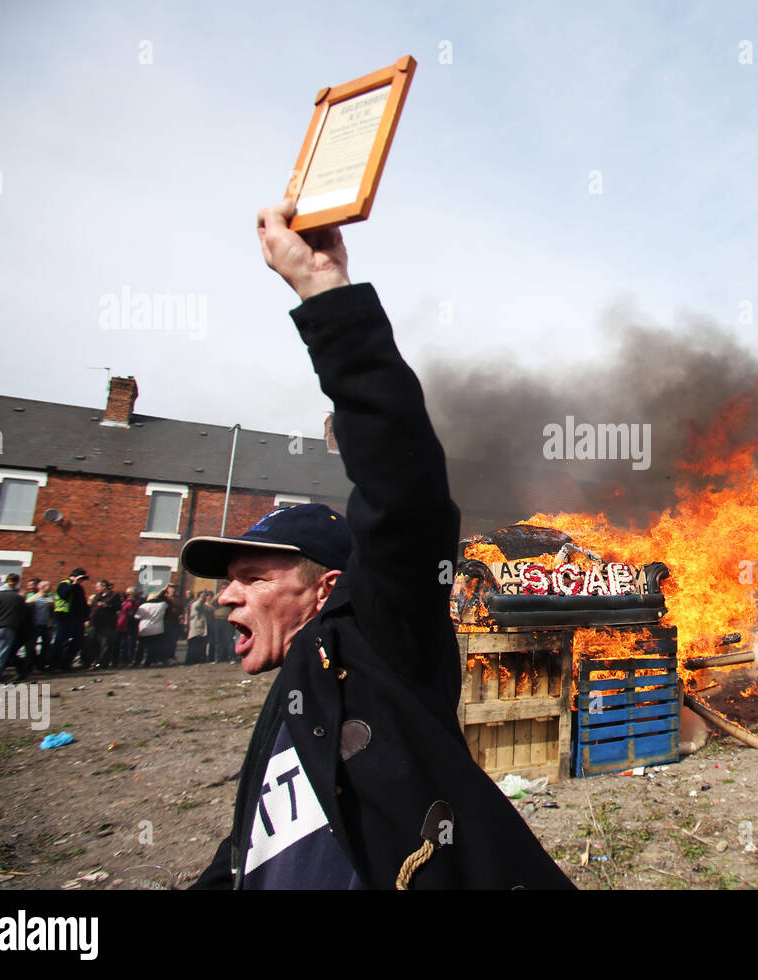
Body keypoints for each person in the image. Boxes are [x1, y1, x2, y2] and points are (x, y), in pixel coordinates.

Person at [185, 198, 572, 890]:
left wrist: (324, 294)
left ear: (328, 588)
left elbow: (405, 495)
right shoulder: (297, 693)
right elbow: (254, 853)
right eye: (229, 581)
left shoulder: (381, 647)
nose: (227, 596)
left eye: (252, 576)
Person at [52, 568, 90, 669]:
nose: (82, 581)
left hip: (77, 618)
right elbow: (64, 595)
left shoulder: (79, 588)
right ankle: (54, 664)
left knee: (78, 641)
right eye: (81, 578)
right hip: (63, 617)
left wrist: (86, 617)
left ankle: (66, 663)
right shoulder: (64, 584)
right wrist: (74, 583)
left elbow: (82, 603)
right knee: (60, 641)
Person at [88, 579, 121, 669]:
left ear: (104, 587)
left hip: (107, 622)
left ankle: (103, 663)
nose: (96, 588)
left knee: (106, 643)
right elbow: (93, 606)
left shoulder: (114, 595)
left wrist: (107, 606)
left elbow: (118, 607)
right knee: (94, 642)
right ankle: (94, 661)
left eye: (98, 586)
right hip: (95, 622)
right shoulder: (97, 596)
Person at [134, 590, 169, 666]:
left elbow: (137, 617)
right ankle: (148, 661)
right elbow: (166, 602)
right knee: (152, 647)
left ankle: (138, 661)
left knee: (141, 647)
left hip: (145, 628)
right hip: (158, 629)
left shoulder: (143, 606)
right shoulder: (162, 604)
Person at [186, 591, 213, 665]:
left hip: (201, 626)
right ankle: (192, 660)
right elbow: (197, 606)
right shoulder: (195, 604)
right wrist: (201, 598)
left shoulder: (203, 605)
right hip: (196, 626)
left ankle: (199, 659)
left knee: (200, 644)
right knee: (194, 644)